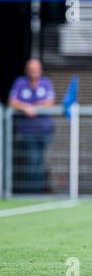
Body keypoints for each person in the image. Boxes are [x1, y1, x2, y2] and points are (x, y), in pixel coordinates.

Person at [8, 59, 55, 193]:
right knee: (31, 160)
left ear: (40, 70)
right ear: (26, 70)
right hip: (26, 131)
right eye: (31, 69)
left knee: (39, 161)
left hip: (45, 130)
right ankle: (31, 192)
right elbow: (12, 101)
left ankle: (38, 191)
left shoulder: (46, 83)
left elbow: (50, 103)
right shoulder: (20, 82)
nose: (33, 71)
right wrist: (25, 107)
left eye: (36, 69)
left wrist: (33, 107)